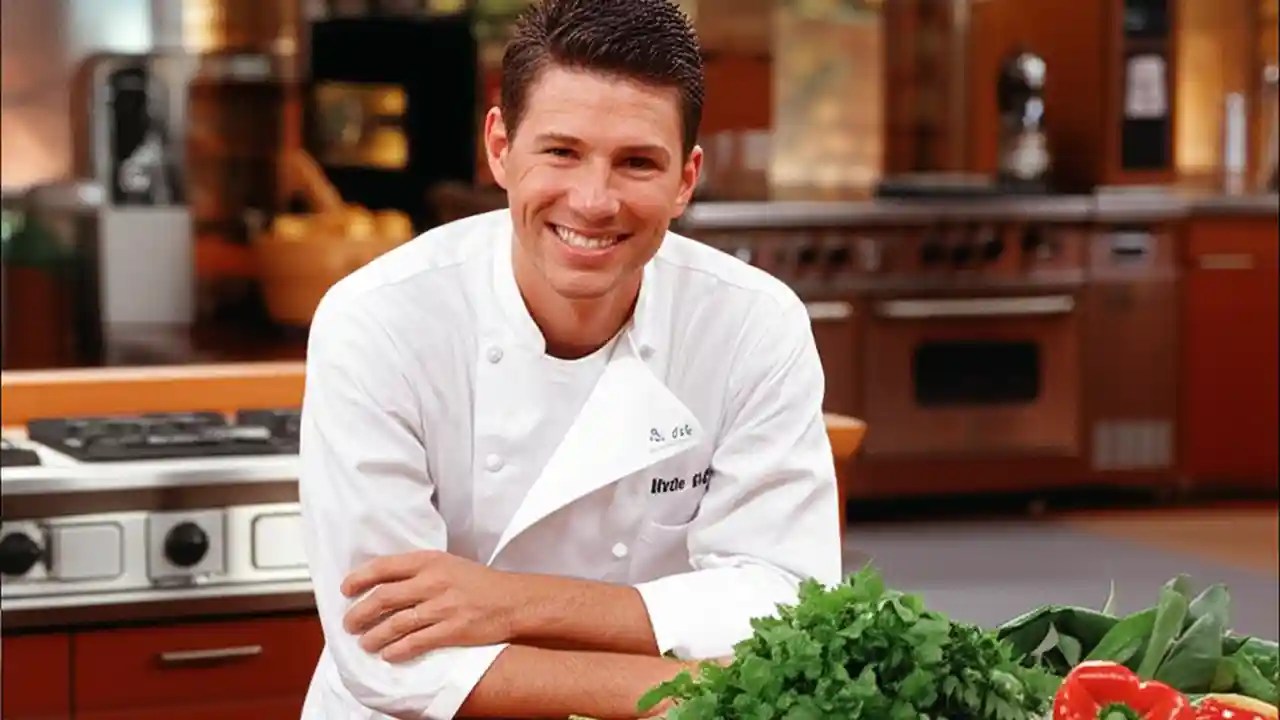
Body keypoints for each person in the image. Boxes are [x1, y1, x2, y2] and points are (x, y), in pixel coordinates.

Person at [296, 0, 842, 717]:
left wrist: (511, 602)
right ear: (500, 148)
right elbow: (389, 659)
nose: (593, 200)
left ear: (686, 178)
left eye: (637, 163)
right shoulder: (378, 321)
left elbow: (784, 602)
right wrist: (693, 685)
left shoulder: (752, 325)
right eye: (561, 152)